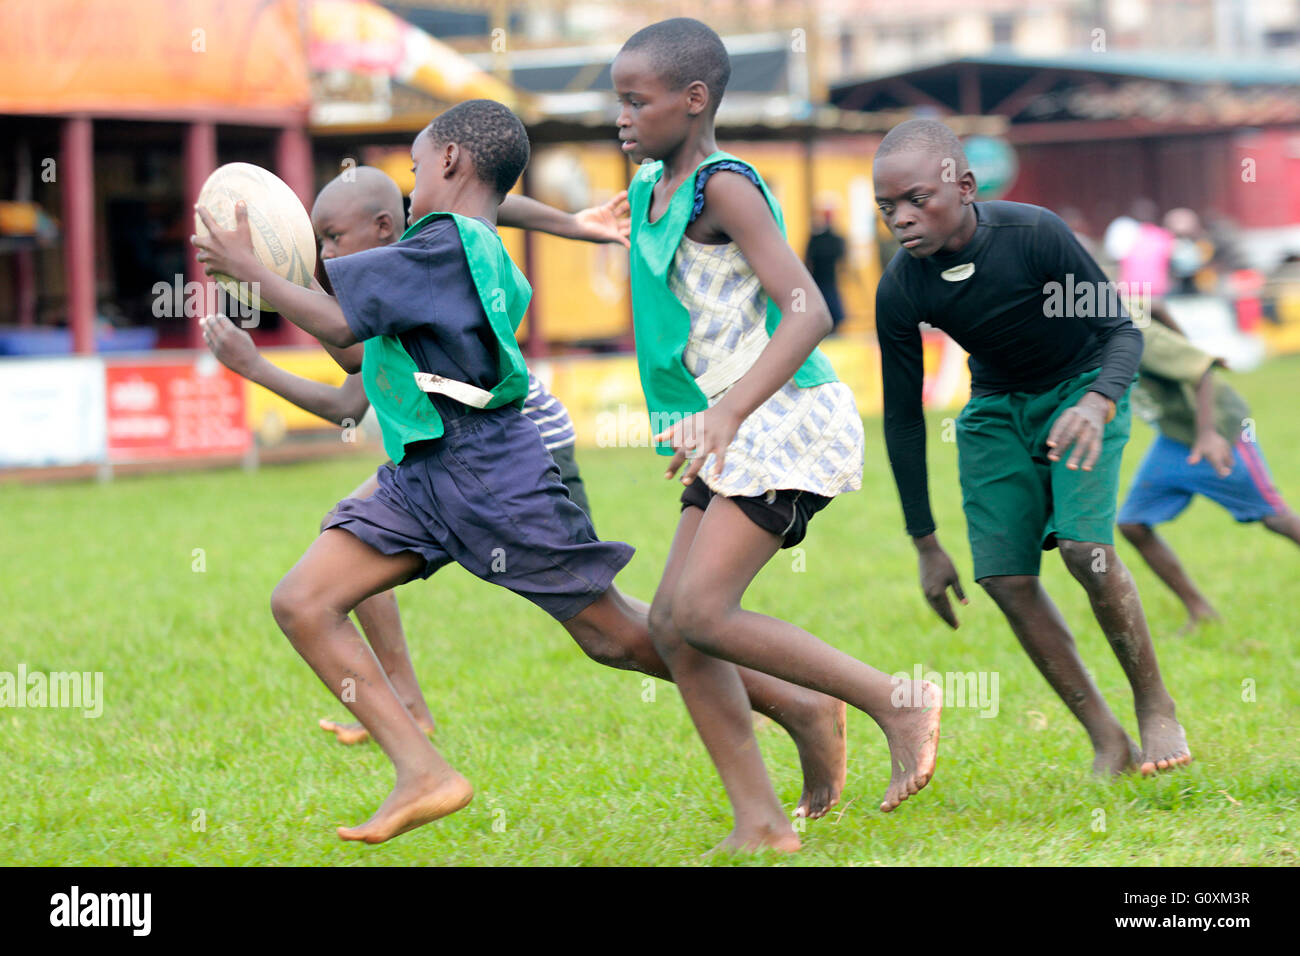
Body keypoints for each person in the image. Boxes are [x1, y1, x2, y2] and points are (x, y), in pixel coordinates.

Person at [192, 100, 848, 843]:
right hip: (423, 470)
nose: (409, 188)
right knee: (303, 600)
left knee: (617, 638)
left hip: (490, 471)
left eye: (414, 167)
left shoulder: (441, 246)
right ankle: (423, 769)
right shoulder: (447, 243)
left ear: (447, 164)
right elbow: (354, 362)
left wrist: (250, 269)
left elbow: (343, 327)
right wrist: (573, 223)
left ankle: (798, 702)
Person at [615, 18, 942, 855]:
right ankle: (762, 820)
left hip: (780, 414)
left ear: (693, 101)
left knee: (699, 610)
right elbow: (477, 194)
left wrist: (727, 413)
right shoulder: (652, 190)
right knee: (670, 626)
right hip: (726, 426)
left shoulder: (723, 186)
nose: (620, 116)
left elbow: (809, 308)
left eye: (634, 100)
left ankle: (893, 698)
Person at [200, 166, 628, 744]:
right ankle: (408, 706)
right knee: (349, 533)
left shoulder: (428, 258)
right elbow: (348, 397)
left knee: (608, 628)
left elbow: (493, 206)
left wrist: (573, 225)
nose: (325, 252)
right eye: (317, 239)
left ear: (384, 226)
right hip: (440, 461)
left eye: (332, 237)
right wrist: (265, 345)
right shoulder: (382, 290)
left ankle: (719, 654)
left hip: (518, 446)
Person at [873, 118, 1191, 778]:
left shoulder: (1034, 233)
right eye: (886, 208)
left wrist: (1098, 400)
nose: (901, 219)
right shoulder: (902, 287)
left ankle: (1155, 706)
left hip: (1083, 388)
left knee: (1086, 550)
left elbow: (1121, 332)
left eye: (915, 199)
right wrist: (924, 542)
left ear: (963, 186)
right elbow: (903, 419)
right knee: (1005, 579)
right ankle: (1107, 738)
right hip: (994, 409)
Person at [1117, 302, 1299, 631]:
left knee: (1275, 516)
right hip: (1175, 437)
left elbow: (1202, 369)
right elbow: (1154, 305)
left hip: (1218, 431)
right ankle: (1201, 611)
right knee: (1132, 523)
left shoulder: (1121, 326)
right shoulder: (1079, 326)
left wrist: (1208, 433)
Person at [805, 205, 847, 331]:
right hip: (822, 280)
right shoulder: (820, 238)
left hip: (826, 279)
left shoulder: (821, 238)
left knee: (829, 304)